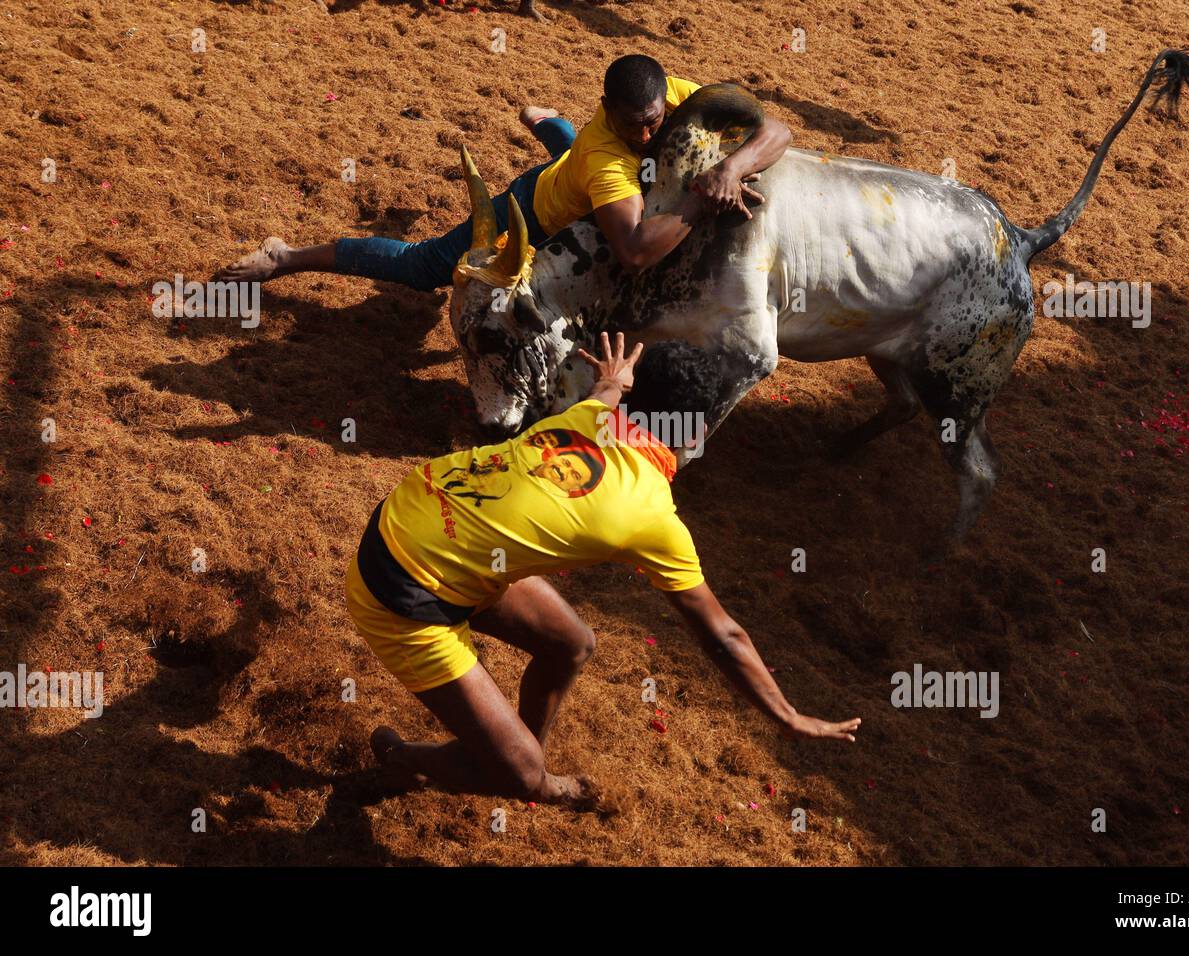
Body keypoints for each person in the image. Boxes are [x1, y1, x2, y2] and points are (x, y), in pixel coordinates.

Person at [351, 332, 859, 806]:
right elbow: (723, 636)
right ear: (698, 432)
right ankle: (423, 761)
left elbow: (608, 396)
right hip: (402, 590)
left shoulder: (585, 417)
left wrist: (614, 379)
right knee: (522, 778)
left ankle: (513, 748)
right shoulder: (652, 516)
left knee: (571, 644)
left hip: (416, 513)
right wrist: (787, 716)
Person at [215, 55, 790, 290]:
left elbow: (779, 131)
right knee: (428, 268)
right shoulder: (605, 155)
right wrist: (700, 201)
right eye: (635, 125)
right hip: (536, 217)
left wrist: (733, 168)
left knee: (574, 159)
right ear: (607, 108)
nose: (650, 132)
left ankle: (548, 124)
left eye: (655, 120)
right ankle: (284, 257)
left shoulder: (670, 98)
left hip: (578, 173)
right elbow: (636, 250)